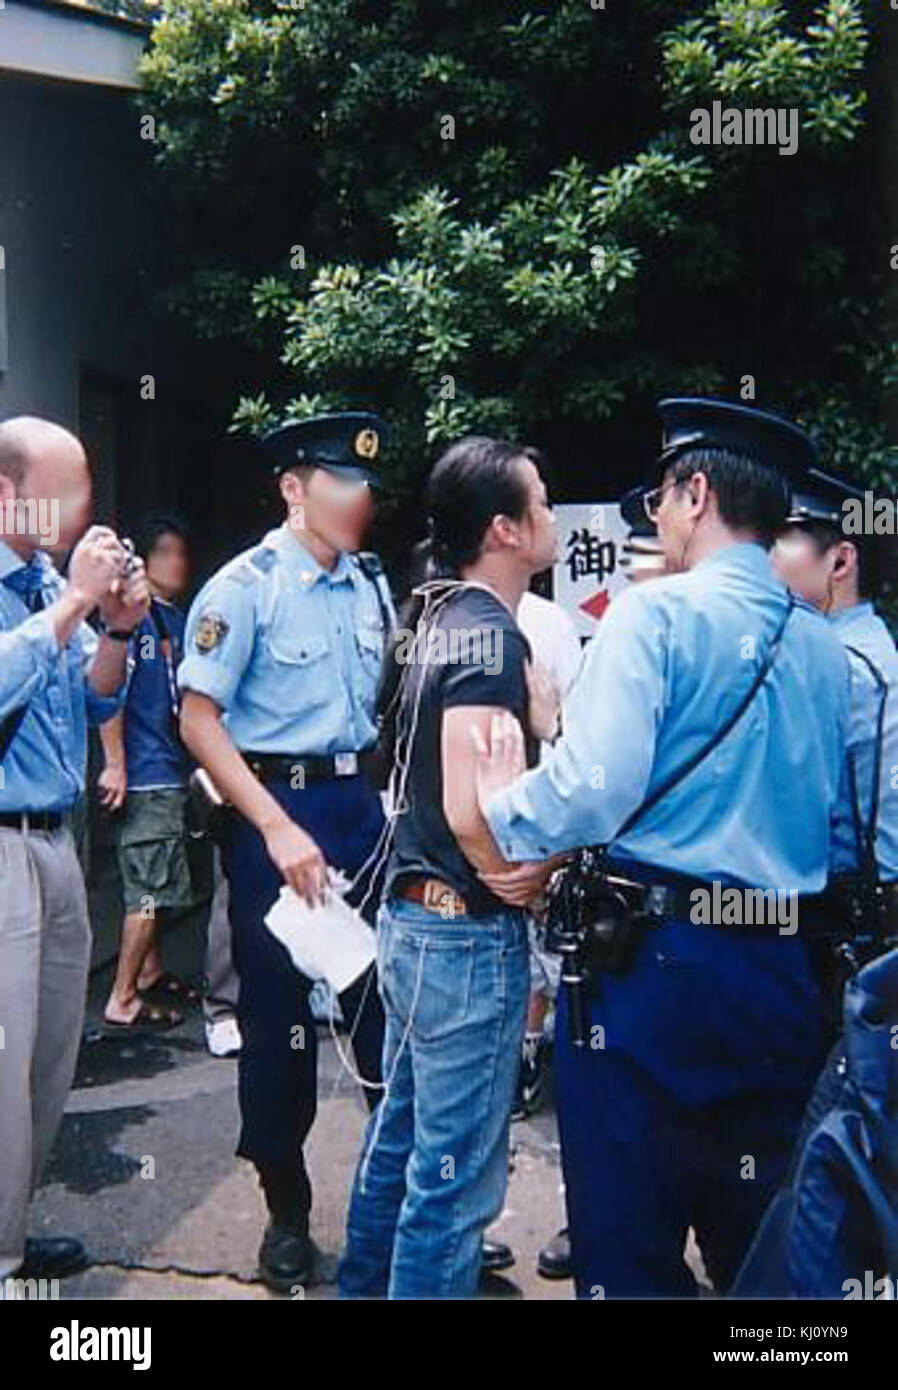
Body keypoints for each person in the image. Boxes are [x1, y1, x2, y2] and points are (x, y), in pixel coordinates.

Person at [473, 399, 851, 1298]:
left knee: (627, 1239)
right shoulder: (826, 648)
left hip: (653, 970)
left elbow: (593, 785)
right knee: (760, 1237)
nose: (660, 523)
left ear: (696, 493)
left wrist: (500, 816)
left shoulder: (656, 618)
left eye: (662, 502)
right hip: (779, 970)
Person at [338, 434, 561, 1300]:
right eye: (540, 503)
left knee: (400, 1142)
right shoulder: (487, 635)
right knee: (455, 1183)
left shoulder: (433, 616)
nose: (548, 516)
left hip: (415, 923)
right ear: (503, 530)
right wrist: (520, 877)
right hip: (462, 938)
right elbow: (473, 807)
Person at [178, 412, 394, 1292]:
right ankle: (285, 1207)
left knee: (387, 1013)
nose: (359, 500)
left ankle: (402, 1207)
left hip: (355, 810)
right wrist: (271, 824)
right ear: (294, 487)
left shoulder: (370, 586)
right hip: (278, 813)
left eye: (366, 485)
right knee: (282, 1026)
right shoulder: (245, 586)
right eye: (339, 482)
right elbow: (198, 721)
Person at [0, 416, 150, 1285]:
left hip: (56, 843)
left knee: (52, 1053)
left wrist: (120, 628)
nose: (86, 507)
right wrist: (72, 606)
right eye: (71, 487)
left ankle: (11, 1229)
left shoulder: (50, 581)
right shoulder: (46, 593)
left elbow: (96, 704)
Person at [99, 512, 202, 1029]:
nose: (176, 563)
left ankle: (148, 974)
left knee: (157, 880)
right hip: (145, 773)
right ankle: (121, 997)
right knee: (147, 888)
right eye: (165, 553)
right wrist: (115, 764)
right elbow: (109, 693)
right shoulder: (134, 619)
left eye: (182, 553)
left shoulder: (171, 618)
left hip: (168, 770)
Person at [513, 589, 581, 1120]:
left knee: (545, 944)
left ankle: (530, 1053)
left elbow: (574, 720)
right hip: (468, 810)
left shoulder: (547, 622)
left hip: (542, 798)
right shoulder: (438, 613)